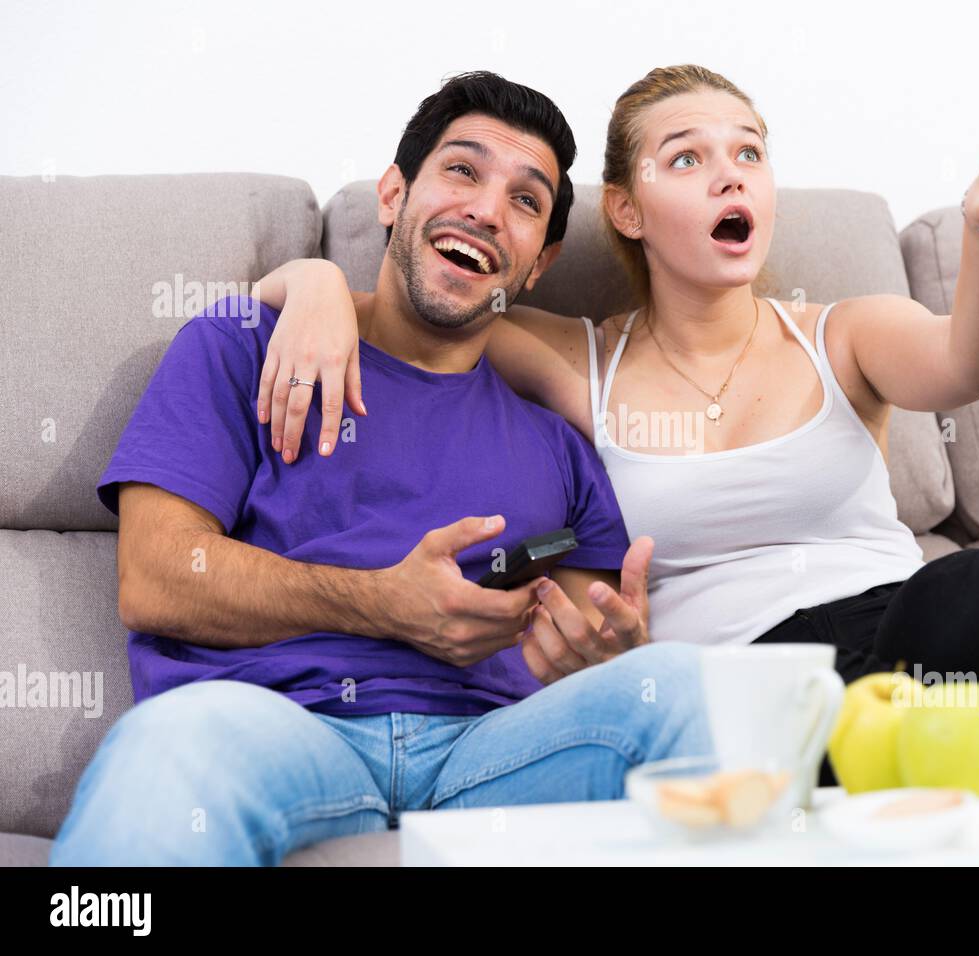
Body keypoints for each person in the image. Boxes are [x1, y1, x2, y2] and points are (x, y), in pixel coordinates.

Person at [254, 58, 979, 784]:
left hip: (915, 628)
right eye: (686, 158)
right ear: (624, 207)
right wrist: (308, 282)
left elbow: (976, 359)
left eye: (747, 153)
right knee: (858, 768)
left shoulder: (840, 334)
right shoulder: (578, 358)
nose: (728, 173)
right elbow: (416, 311)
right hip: (743, 699)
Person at [49, 73, 714, 867]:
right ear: (393, 194)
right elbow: (155, 578)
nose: (486, 210)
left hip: (490, 752)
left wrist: (607, 655)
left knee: (677, 684)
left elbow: (583, 634)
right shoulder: (243, 345)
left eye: (526, 201)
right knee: (170, 744)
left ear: (539, 263)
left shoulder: (558, 443)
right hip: (283, 729)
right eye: (462, 170)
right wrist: (382, 605)